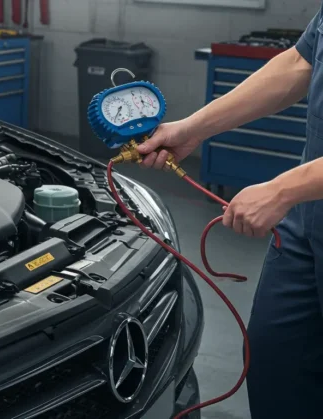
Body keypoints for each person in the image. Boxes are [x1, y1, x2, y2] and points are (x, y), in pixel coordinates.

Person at [137, 6, 323, 418]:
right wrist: (192, 129)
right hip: (308, 224)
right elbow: (299, 62)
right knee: (276, 360)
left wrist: (283, 189)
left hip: (302, 195)